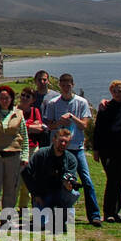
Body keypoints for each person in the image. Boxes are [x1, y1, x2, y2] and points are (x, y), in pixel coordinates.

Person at [40, 73, 102, 226]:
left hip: (77, 148)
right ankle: (53, 215)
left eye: (68, 85)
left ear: (72, 85)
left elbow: (85, 125)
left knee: (86, 181)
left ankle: (94, 215)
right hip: (59, 150)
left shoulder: (81, 102)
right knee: (56, 182)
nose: (66, 87)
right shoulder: (53, 103)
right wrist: (59, 122)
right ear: (60, 86)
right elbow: (48, 126)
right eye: (63, 84)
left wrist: (73, 118)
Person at [0, 85, 29, 224]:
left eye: (7, 98)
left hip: (14, 156)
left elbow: (24, 137)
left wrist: (25, 156)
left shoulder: (19, 114)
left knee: (11, 189)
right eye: (1, 98)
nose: (4, 100)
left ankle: (7, 219)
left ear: (11, 99)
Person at [22, 127, 81, 227]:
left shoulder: (71, 159)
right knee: (41, 225)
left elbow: (71, 177)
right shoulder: (41, 154)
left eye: (66, 142)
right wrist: (35, 194)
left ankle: (62, 217)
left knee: (74, 193)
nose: (63, 144)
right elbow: (26, 172)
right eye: (61, 141)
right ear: (54, 139)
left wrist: (68, 185)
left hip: (60, 194)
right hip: (42, 195)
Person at [91, 80, 121, 222]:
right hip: (106, 149)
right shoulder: (106, 108)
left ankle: (116, 209)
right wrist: (95, 149)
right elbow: (98, 130)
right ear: (111, 93)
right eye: (115, 91)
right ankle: (109, 212)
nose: (118, 94)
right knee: (112, 179)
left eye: (120, 91)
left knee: (119, 180)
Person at [16, 86, 45, 215]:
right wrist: (30, 127)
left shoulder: (35, 111)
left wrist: (25, 127)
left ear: (33, 99)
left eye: (28, 96)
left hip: (33, 148)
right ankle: (10, 207)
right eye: (23, 95)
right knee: (16, 180)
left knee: (28, 180)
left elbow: (40, 128)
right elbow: (14, 128)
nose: (24, 98)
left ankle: (23, 207)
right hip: (17, 148)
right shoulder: (15, 110)